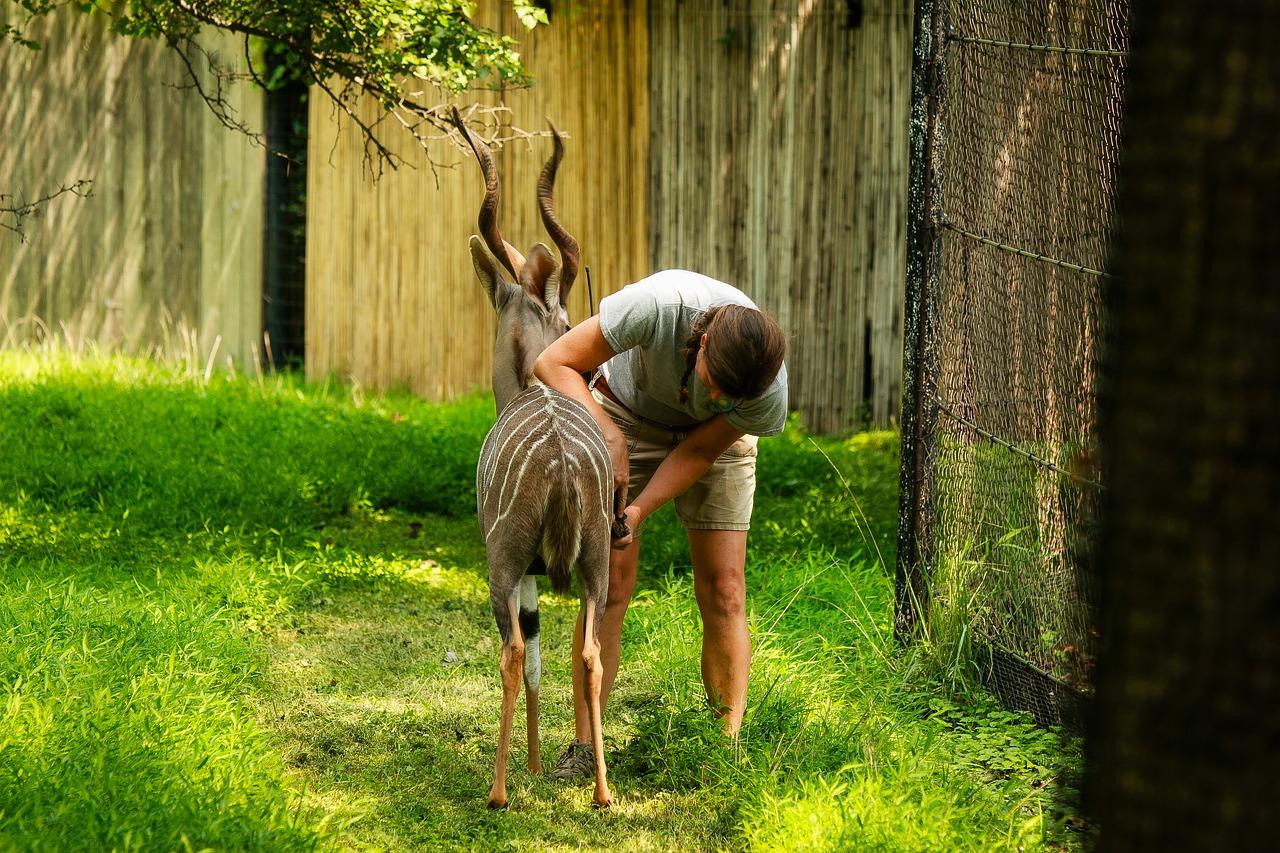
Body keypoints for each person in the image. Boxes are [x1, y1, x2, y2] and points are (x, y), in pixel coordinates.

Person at [531, 268, 788, 780]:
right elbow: (552, 362)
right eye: (714, 386)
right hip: (624, 413)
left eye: (729, 400)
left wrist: (638, 510)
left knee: (725, 590)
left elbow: (698, 449)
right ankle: (587, 748)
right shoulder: (655, 307)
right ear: (703, 340)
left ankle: (723, 751)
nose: (715, 400)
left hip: (714, 444)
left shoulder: (763, 393)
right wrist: (607, 433)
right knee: (610, 587)